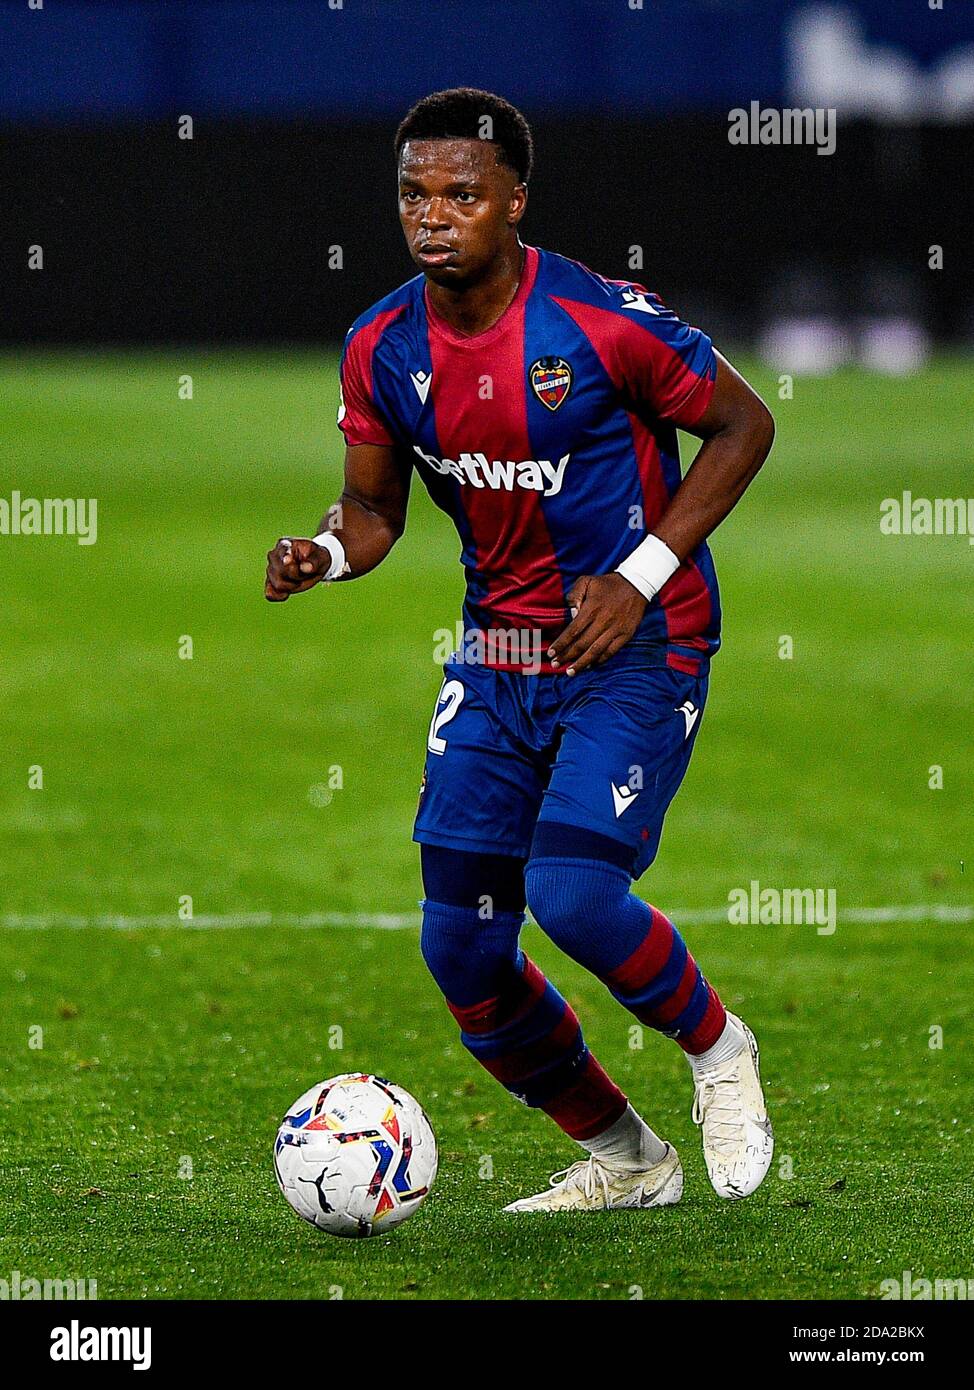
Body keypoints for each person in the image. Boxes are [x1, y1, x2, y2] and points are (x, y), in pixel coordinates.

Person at [265, 88, 776, 1211]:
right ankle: (628, 1161)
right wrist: (322, 553)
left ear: (513, 202)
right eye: (413, 194)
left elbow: (744, 424)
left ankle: (719, 1052)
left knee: (575, 891)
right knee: (462, 948)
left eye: (461, 194)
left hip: (640, 641)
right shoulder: (380, 346)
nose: (432, 215)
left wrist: (640, 577)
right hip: (497, 654)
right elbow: (373, 514)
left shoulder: (601, 319)